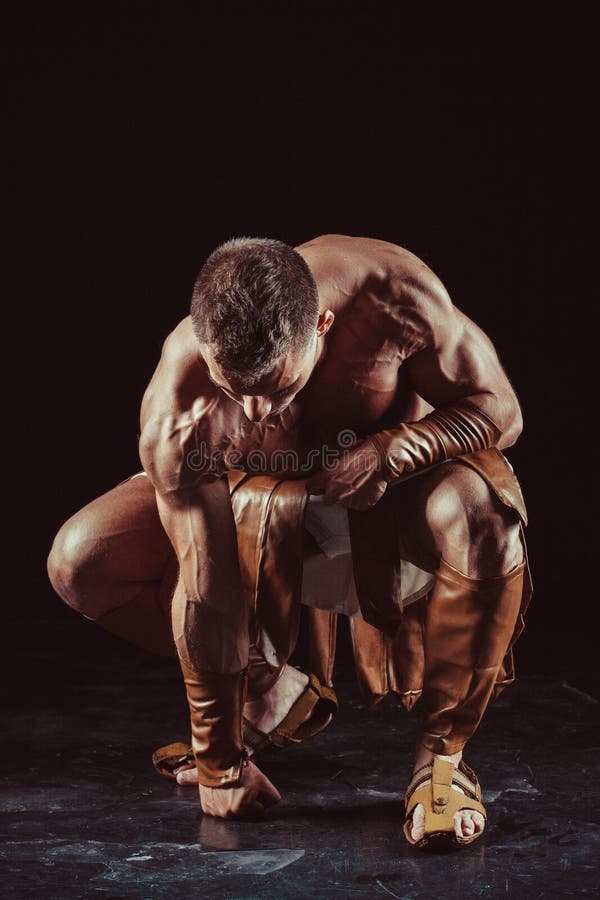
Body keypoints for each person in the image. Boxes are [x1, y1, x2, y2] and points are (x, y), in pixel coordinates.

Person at [47, 234, 532, 852]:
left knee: (482, 509)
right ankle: (270, 691)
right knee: (80, 559)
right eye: (236, 388)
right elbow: (208, 582)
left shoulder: (391, 293)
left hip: (383, 513)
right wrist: (219, 758)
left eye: (277, 387)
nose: (255, 411)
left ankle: (442, 762)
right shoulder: (180, 406)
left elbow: (503, 412)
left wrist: (392, 451)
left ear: (323, 326)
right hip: (249, 532)